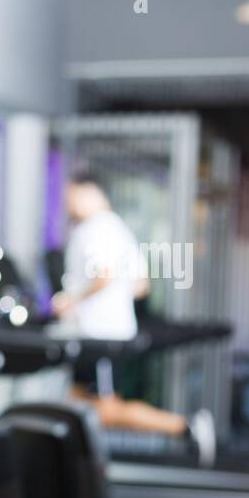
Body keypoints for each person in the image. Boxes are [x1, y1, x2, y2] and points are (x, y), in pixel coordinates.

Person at [54, 171, 216, 466]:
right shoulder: (119, 229)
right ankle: (72, 465)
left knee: (106, 410)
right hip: (104, 331)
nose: (68, 205)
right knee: (76, 402)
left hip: (98, 334)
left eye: (71, 197)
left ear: (89, 192)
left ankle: (185, 427)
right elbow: (141, 284)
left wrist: (71, 301)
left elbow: (105, 274)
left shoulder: (95, 229)